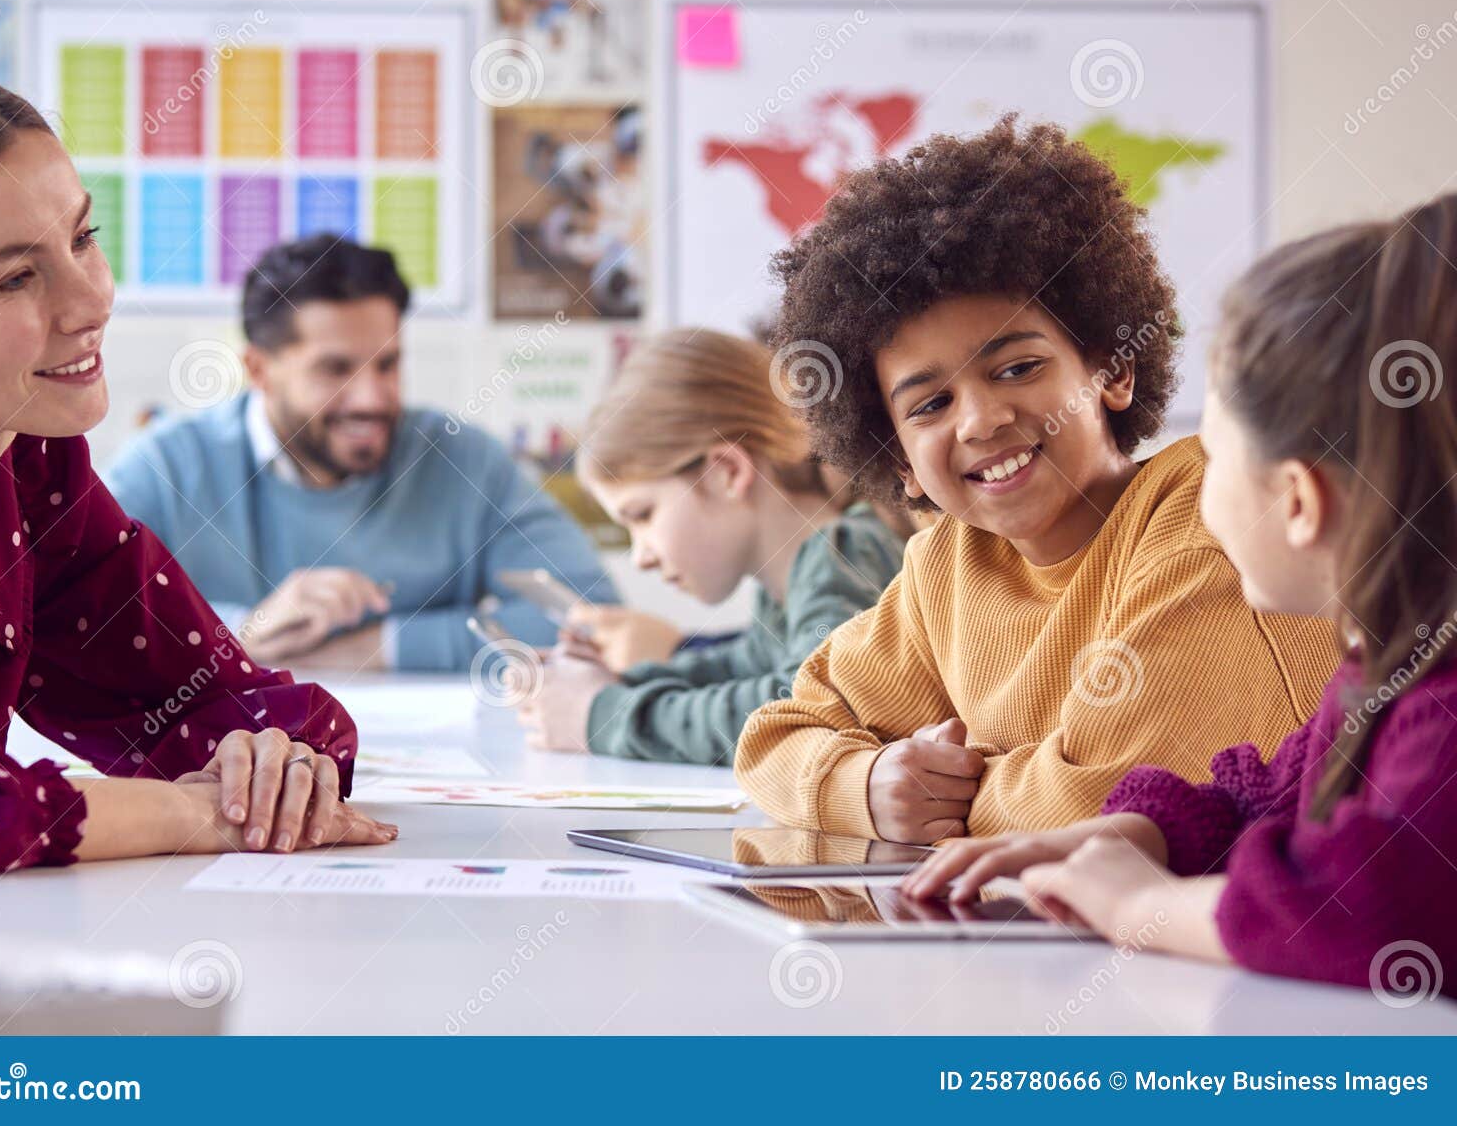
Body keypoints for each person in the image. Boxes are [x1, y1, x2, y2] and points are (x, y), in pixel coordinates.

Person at [899, 192, 1457, 998]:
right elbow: (1266, 799)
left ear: (1298, 501)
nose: (1197, 480)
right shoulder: (1384, 671)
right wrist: (1136, 834)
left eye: (1215, 456)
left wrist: (1144, 907)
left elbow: (1365, 911)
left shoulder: (1439, 711)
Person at [734, 116, 1340, 842]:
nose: (981, 420)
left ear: (1112, 370)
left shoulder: (1207, 519)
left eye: (1018, 368)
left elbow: (1103, 804)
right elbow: (774, 739)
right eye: (930, 405)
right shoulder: (947, 569)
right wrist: (862, 784)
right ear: (901, 461)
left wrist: (946, 796)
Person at [0, 68, 394, 878]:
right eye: (14, 277)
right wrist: (186, 812)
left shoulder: (28, 464)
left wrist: (268, 766)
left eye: (83, 237)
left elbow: (228, 702)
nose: (91, 301)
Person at [105, 233, 617, 673]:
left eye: (387, 365)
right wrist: (239, 633)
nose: (372, 399)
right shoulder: (167, 466)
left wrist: (381, 646)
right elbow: (82, 620)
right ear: (259, 370)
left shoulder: (465, 461)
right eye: (336, 369)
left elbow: (592, 615)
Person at [518, 329, 905, 763]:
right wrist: (615, 683)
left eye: (642, 515)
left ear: (726, 472)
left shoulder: (844, 553)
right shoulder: (787, 582)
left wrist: (603, 715)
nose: (640, 557)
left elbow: (812, 711)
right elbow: (739, 668)